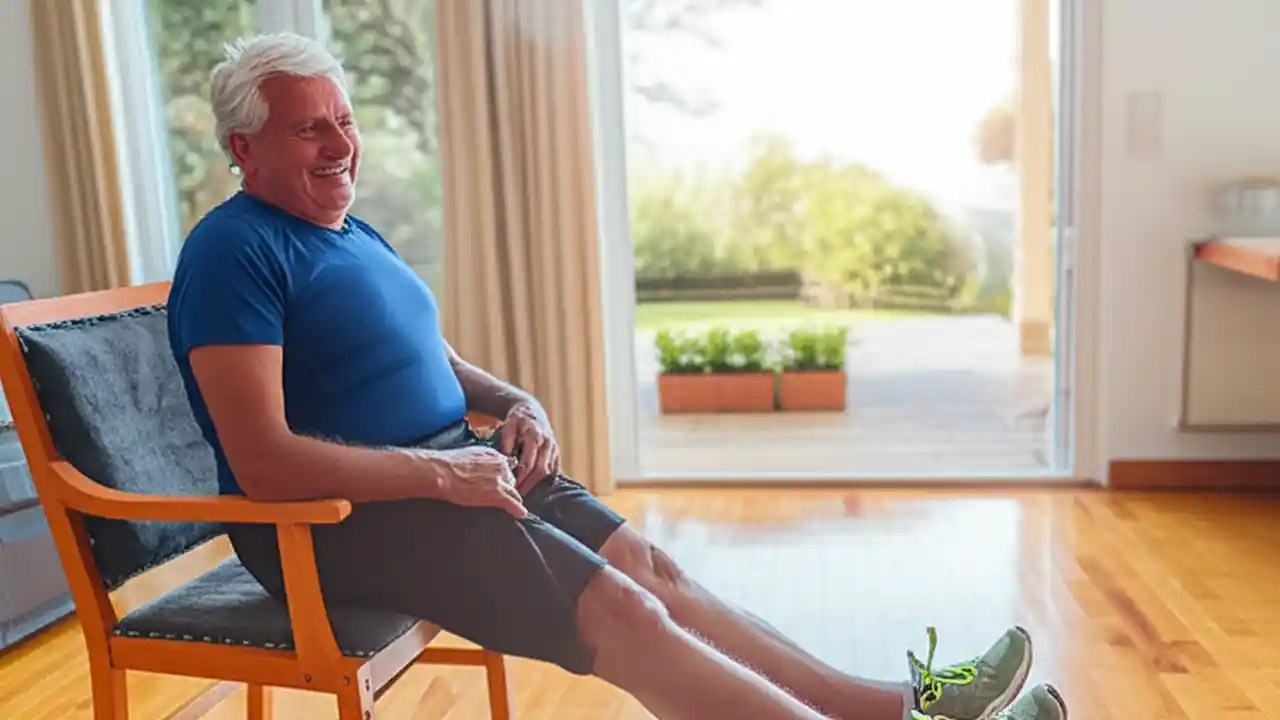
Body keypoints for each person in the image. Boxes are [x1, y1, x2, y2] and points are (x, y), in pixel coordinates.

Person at [165, 31, 1068, 720]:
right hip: (339, 526)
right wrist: (443, 473)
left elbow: (432, 363)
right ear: (243, 148)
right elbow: (265, 462)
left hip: (457, 475)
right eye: (308, 128)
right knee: (626, 614)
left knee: (651, 567)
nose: (339, 144)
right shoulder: (233, 253)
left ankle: (897, 709)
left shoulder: (351, 234)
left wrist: (518, 403)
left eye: (345, 121)